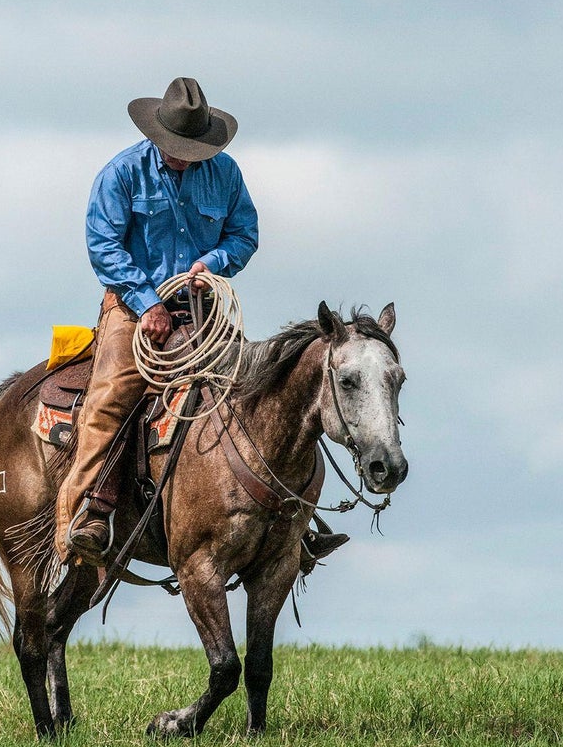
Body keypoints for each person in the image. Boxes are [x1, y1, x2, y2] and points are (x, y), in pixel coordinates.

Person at [56, 77, 347, 568]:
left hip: (203, 312)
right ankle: (82, 516)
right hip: (131, 309)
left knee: (261, 392)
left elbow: (244, 233)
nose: (183, 158)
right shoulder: (121, 174)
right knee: (110, 402)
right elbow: (104, 246)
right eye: (175, 149)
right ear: (156, 135)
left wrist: (214, 261)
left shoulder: (225, 174)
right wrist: (146, 303)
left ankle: (292, 524)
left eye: (191, 149)